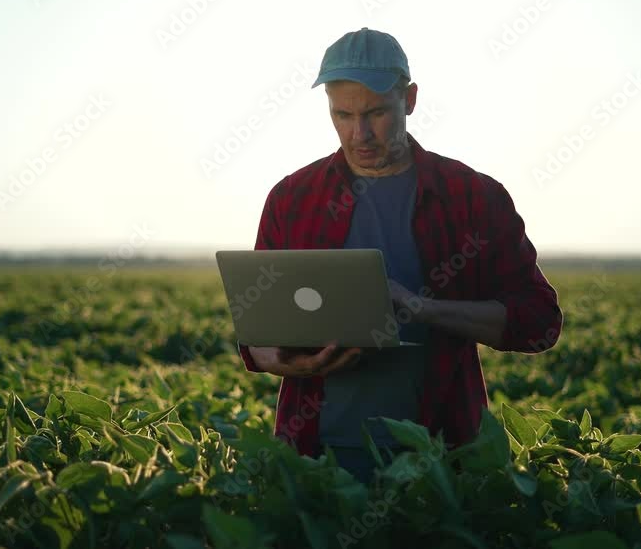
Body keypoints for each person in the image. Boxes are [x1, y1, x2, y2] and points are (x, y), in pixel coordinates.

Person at [236, 27, 563, 484]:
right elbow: (257, 337)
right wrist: (287, 361)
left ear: (409, 99)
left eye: (376, 113)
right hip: (314, 458)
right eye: (342, 114)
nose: (360, 133)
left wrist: (421, 308)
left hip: (442, 461)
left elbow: (539, 321)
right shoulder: (293, 199)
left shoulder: (472, 197)